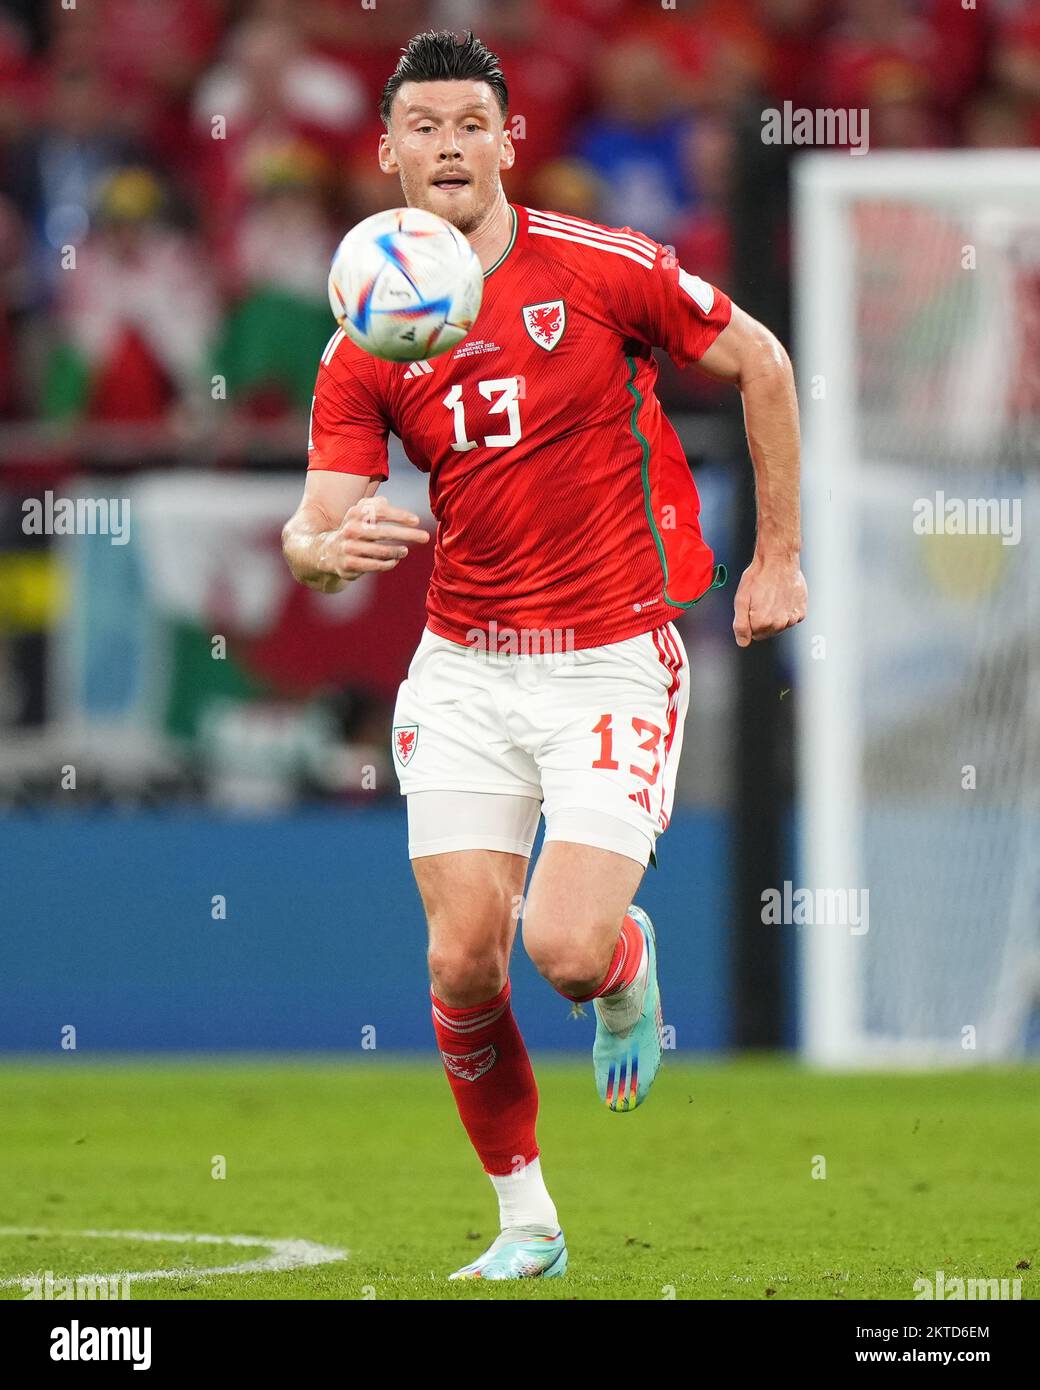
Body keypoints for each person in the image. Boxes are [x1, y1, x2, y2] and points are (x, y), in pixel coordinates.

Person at [282, 30, 806, 1281]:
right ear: (388, 150)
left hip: (609, 656)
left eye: (472, 121)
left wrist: (775, 554)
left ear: (509, 140)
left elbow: (763, 363)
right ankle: (527, 1222)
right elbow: (312, 524)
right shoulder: (365, 333)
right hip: (463, 663)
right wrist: (322, 549)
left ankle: (622, 962)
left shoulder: (599, 267)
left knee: (561, 950)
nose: (449, 143)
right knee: (462, 955)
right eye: (424, 124)